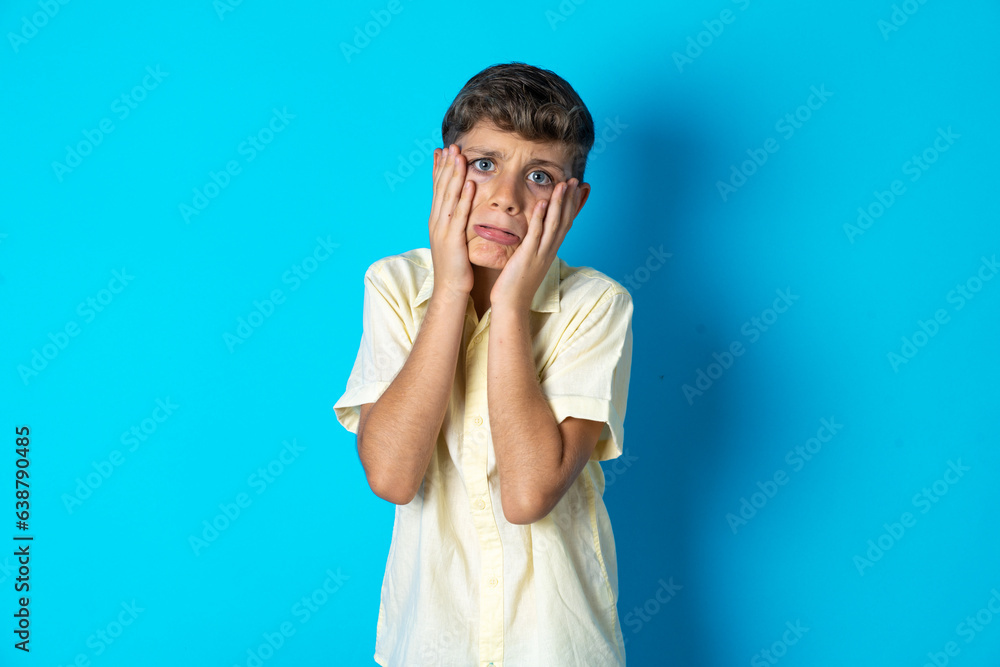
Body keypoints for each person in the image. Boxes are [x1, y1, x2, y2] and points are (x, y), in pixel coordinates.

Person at [334, 61, 633, 667]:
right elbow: (392, 476)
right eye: (484, 164)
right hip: (428, 645)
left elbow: (528, 496)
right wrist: (448, 290)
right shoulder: (394, 285)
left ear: (573, 201)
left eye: (541, 176)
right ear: (444, 169)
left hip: (555, 646)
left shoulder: (598, 305)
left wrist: (512, 304)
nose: (506, 197)